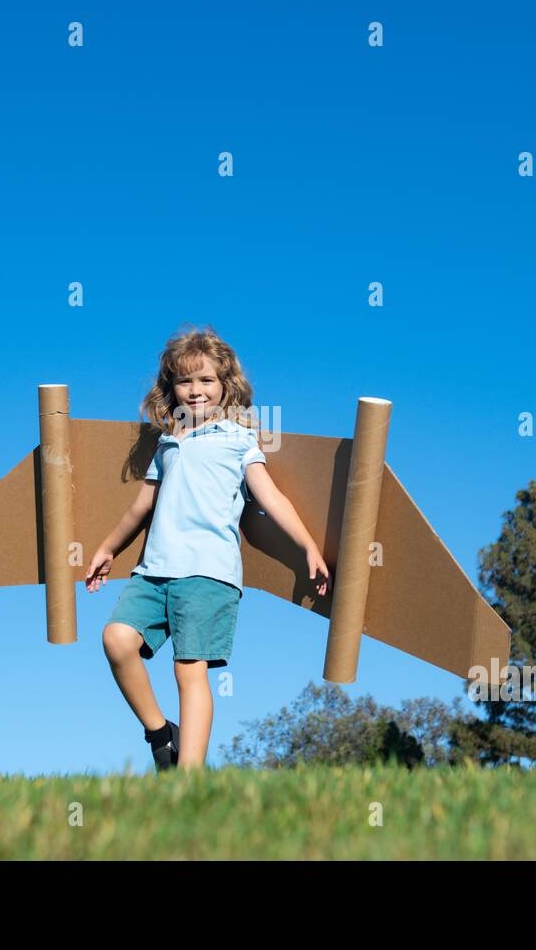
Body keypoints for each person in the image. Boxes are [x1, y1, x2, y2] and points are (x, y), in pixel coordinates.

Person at [84, 326, 329, 772]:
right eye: (185, 381)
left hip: (208, 573)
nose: (195, 391)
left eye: (206, 381)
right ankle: (161, 734)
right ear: (171, 389)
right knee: (116, 639)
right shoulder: (167, 442)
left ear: (225, 386)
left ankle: (189, 776)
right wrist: (107, 548)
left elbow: (272, 498)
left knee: (188, 670)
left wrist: (309, 547)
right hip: (154, 571)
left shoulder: (239, 441)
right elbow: (142, 504)